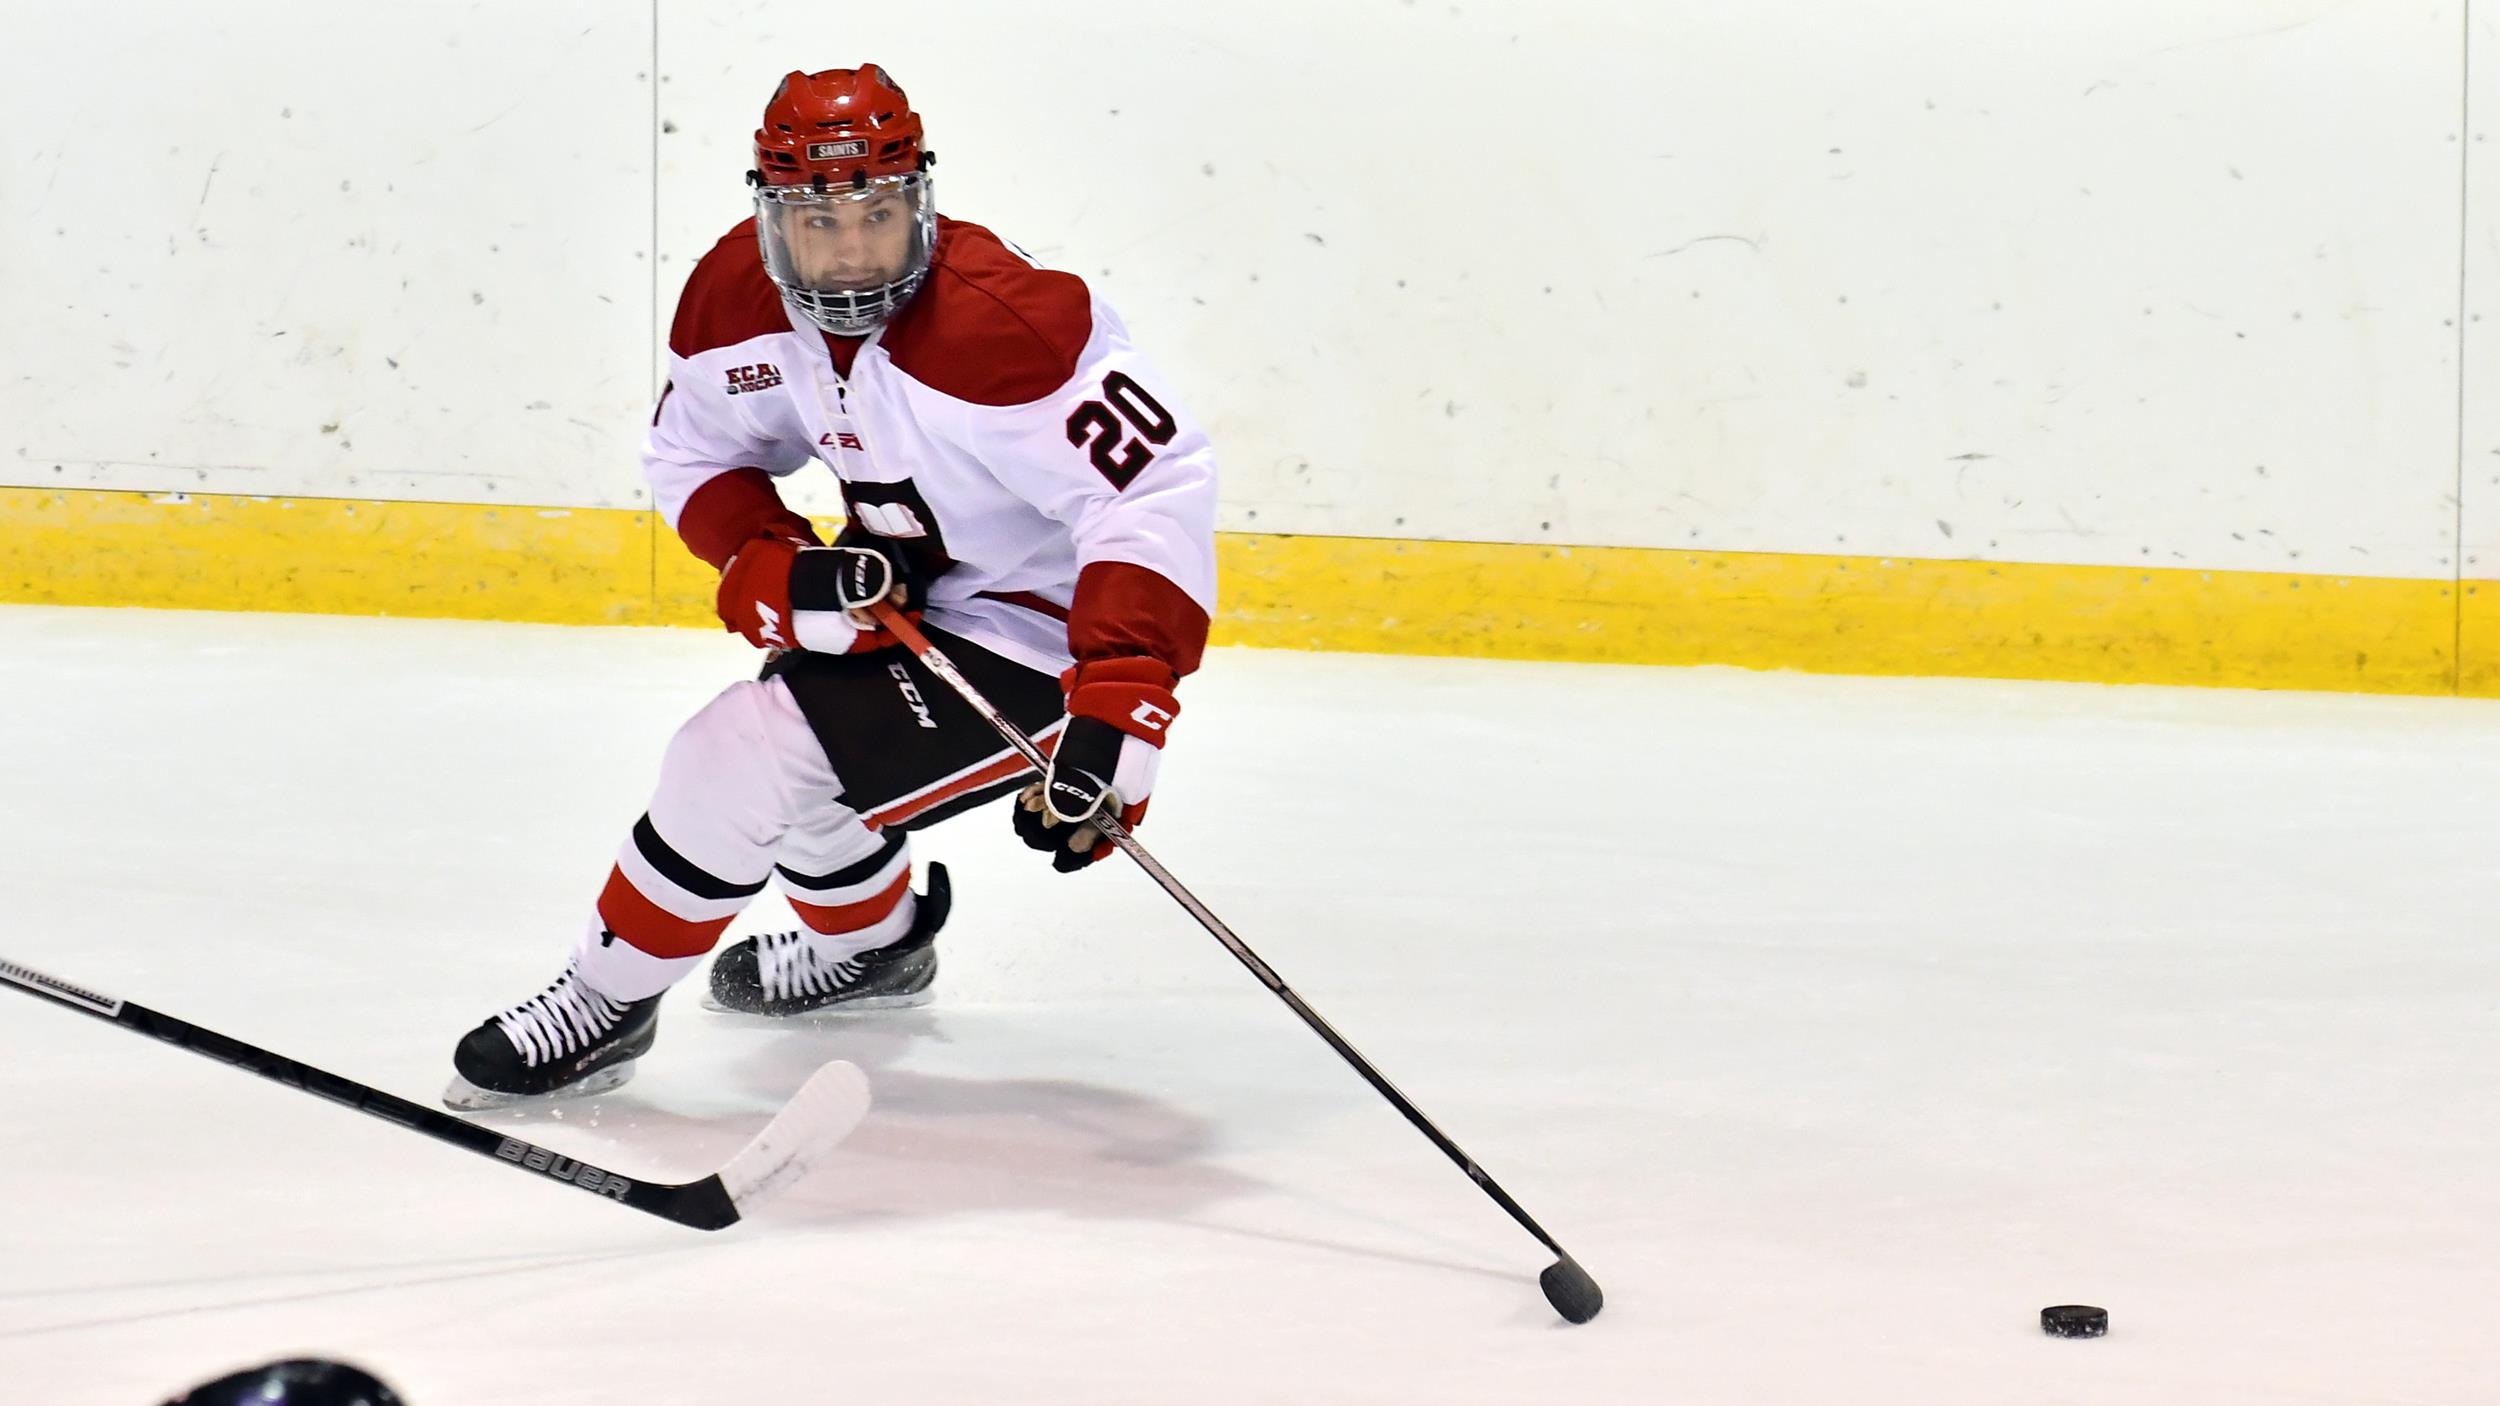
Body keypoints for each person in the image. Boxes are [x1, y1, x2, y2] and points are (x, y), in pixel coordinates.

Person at [442, 65, 1217, 1108]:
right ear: (768, 218)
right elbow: (692, 454)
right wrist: (770, 559)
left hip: (1045, 635)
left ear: (921, 201)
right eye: (819, 222)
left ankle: (601, 999)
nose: (853, 252)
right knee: (811, 780)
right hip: (910, 595)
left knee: (739, 757)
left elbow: (1147, 488)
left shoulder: (1010, 326)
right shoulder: (732, 304)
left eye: (878, 214)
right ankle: (878, 949)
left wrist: (1122, 693)